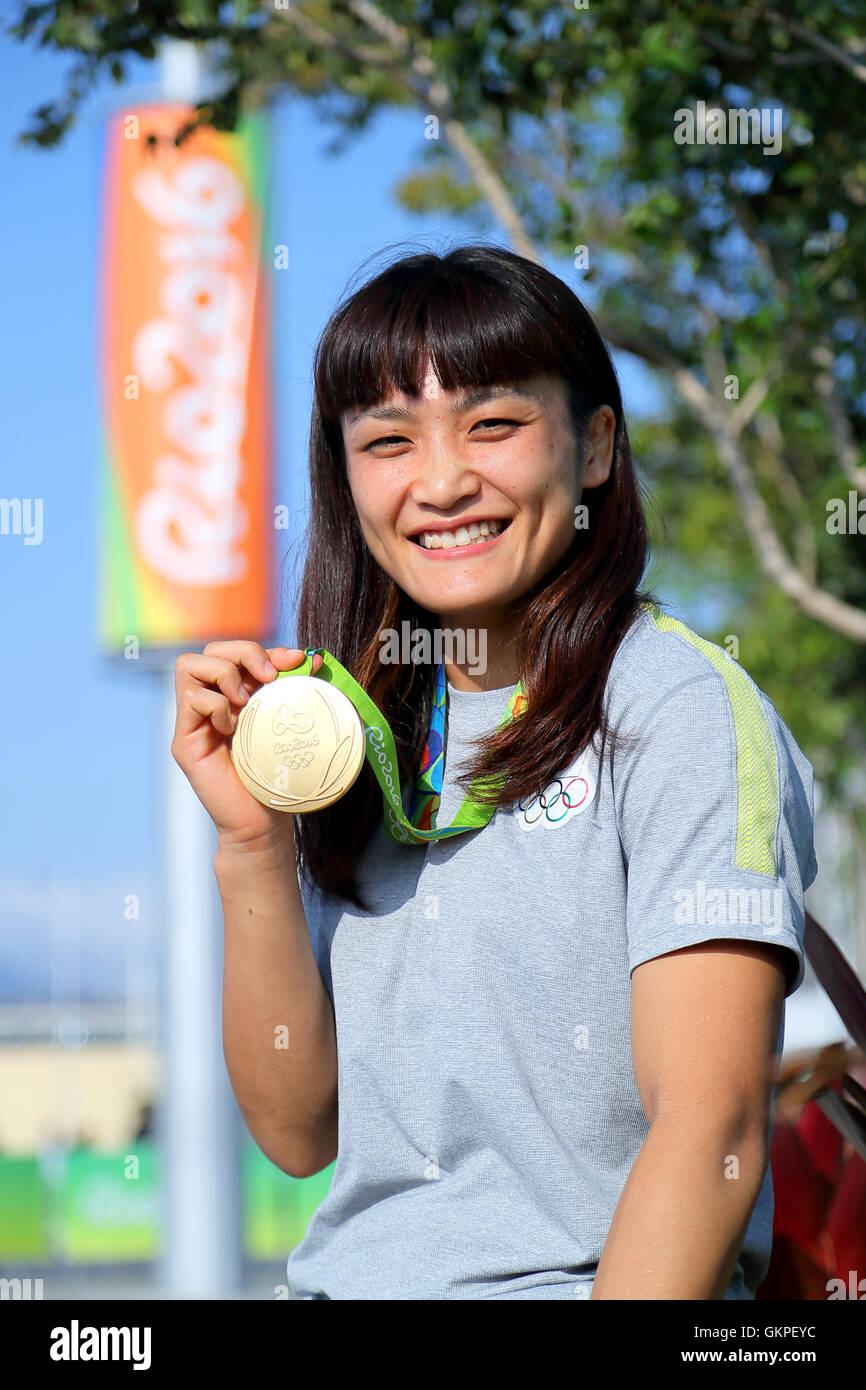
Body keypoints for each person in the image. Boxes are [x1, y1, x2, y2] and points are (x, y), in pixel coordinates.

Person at [171, 244, 817, 1300]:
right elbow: (300, 1130)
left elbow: (711, 1133)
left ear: (595, 446)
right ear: (345, 479)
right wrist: (251, 844)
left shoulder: (675, 707)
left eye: (493, 425)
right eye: (386, 440)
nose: (439, 482)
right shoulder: (365, 731)